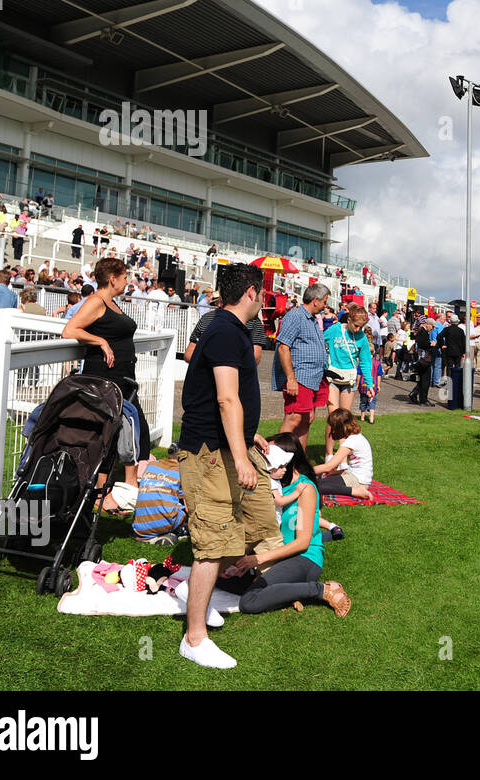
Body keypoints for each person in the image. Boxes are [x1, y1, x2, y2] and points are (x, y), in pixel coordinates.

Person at [173, 264, 280, 668]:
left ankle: (193, 599)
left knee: (228, 535)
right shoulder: (222, 331)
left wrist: (248, 434)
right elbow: (225, 399)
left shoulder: (226, 328)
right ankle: (194, 638)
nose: (265, 302)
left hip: (221, 446)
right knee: (213, 542)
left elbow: (223, 400)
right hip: (209, 453)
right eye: (264, 294)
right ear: (252, 292)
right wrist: (240, 457)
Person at [217, 435, 351, 619]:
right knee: (219, 577)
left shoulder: (305, 488)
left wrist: (259, 559)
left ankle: (322, 590)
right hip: (278, 556)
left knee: (249, 601)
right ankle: (290, 593)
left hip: (304, 558)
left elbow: (303, 543)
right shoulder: (274, 488)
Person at [61, 258, 151, 457]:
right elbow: (69, 330)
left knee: (138, 432)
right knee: (113, 433)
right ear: (112, 279)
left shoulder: (111, 303)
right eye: (124, 277)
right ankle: (107, 484)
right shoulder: (95, 301)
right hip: (107, 379)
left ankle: (125, 481)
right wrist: (100, 341)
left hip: (122, 378)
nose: (127, 281)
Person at [273, 283, 331, 451]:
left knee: (306, 419)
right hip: (300, 377)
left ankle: (300, 463)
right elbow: (283, 347)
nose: (325, 306)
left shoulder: (312, 319)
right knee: (294, 419)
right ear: (315, 300)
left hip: (313, 378)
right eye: (324, 301)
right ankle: (276, 460)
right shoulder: (296, 316)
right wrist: (291, 378)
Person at [323, 303, 373, 458]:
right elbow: (318, 342)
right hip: (332, 377)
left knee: (345, 419)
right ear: (349, 319)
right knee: (334, 418)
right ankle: (329, 454)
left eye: (361, 327)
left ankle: (342, 457)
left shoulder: (362, 337)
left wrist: (369, 383)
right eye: (356, 326)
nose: (358, 330)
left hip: (349, 380)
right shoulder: (334, 330)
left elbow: (365, 362)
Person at [315, 408, 374, 502]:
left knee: (316, 486)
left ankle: (355, 491)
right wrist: (335, 473)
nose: (332, 432)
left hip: (357, 480)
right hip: (355, 475)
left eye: (333, 428)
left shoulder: (351, 441)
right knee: (316, 480)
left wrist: (306, 471)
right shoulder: (356, 437)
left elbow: (329, 466)